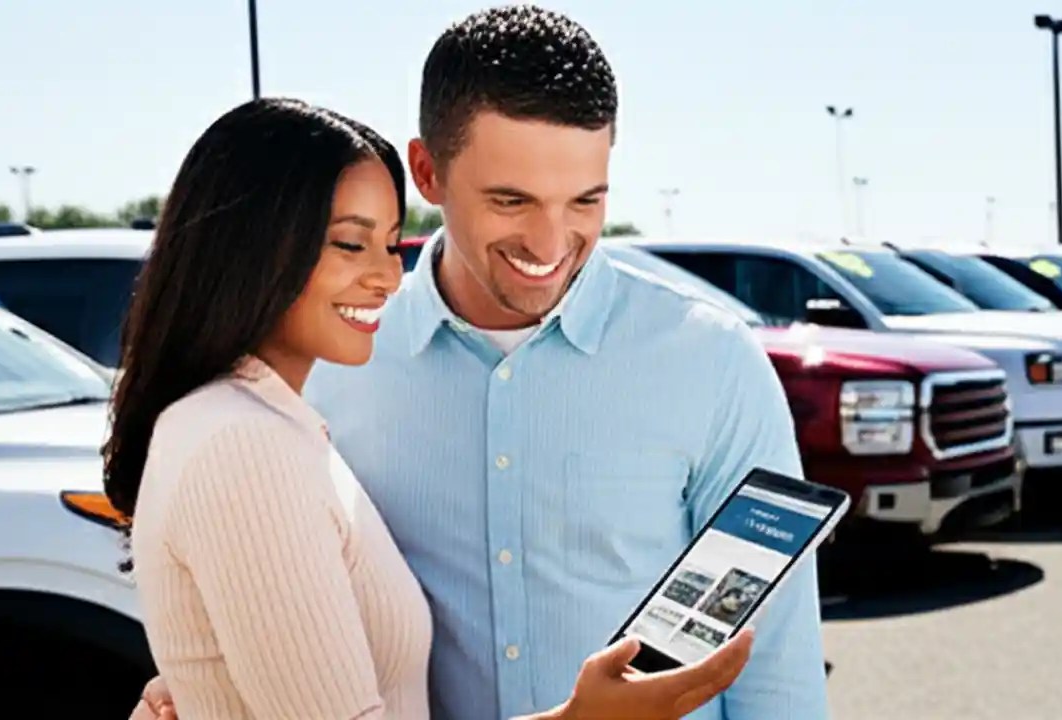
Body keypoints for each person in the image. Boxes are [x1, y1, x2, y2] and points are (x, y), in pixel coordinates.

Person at [134, 4, 829, 719]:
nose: (550, 242)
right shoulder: (332, 363)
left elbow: (775, 667)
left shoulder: (712, 364)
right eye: (510, 200)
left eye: (585, 200)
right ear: (428, 173)